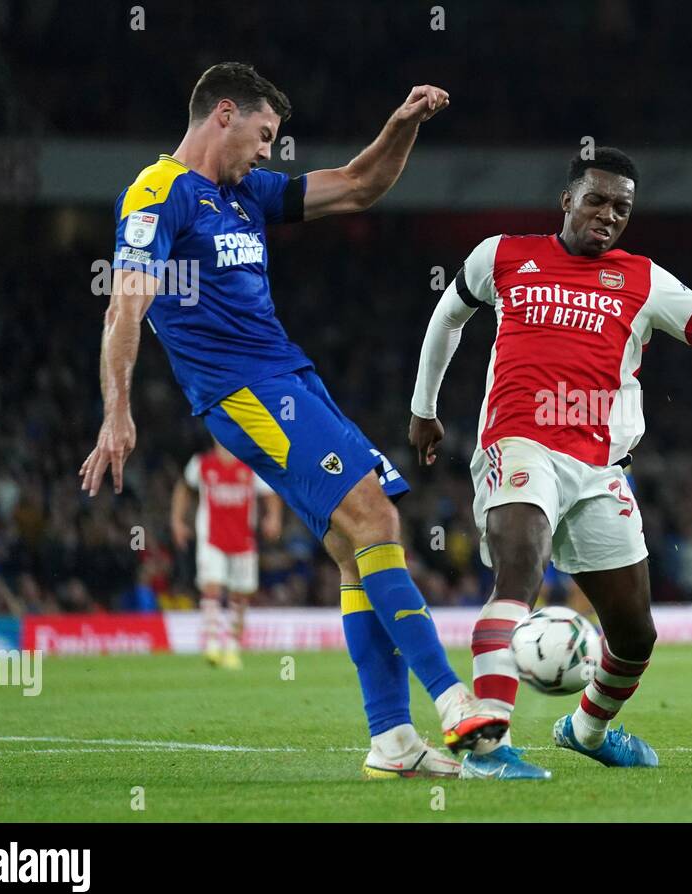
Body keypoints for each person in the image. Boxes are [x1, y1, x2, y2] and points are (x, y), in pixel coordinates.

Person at [80, 61, 501, 780]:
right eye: (265, 134)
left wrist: (401, 126)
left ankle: (393, 743)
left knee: (352, 548)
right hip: (244, 390)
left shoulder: (245, 195)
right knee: (374, 517)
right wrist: (116, 412)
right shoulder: (162, 193)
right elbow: (126, 303)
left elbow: (360, 185)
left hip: (290, 378)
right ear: (223, 114)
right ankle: (454, 700)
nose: (269, 151)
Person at [409, 147, 692, 779]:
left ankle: (587, 729)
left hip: (601, 468)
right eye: (597, 201)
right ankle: (488, 750)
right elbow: (449, 316)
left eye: (621, 209)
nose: (608, 215)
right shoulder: (501, 255)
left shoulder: (645, 279)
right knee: (516, 582)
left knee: (635, 635)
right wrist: (424, 407)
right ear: (567, 201)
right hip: (519, 445)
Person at [171, 438, 283, 669]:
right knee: (212, 587)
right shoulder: (201, 464)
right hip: (211, 538)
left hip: (243, 539)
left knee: (240, 595)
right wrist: (177, 520)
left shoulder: (249, 465)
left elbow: (270, 494)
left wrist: (273, 517)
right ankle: (212, 642)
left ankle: (232, 647)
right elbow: (184, 488)